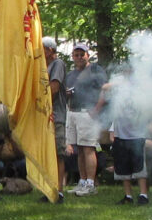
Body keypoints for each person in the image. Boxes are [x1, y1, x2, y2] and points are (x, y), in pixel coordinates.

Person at [100, 75, 150, 205]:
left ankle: (143, 195)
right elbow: (105, 88)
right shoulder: (118, 96)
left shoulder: (140, 97)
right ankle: (128, 197)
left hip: (137, 136)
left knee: (140, 168)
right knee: (123, 169)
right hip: (120, 136)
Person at [65, 43, 107, 196]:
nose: (79, 57)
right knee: (79, 150)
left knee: (89, 148)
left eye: (82, 54)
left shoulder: (95, 70)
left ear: (88, 55)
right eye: (76, 55)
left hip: (87, 113)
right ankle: (82, 181)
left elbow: (106, 89)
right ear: (73, 57)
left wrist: (96, 109)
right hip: (73, 112)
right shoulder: (70, 75)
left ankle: (91, 183)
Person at [42, 37, 68, 203]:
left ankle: (59, 191)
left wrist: (37, 98)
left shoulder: (57, 64)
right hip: (45, 116)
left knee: (58, 155)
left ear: (50, 50)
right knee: (47, 154)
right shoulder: (44, 65)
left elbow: (54, 88)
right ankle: (48, 189)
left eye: (42, 48)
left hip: (56, 116)